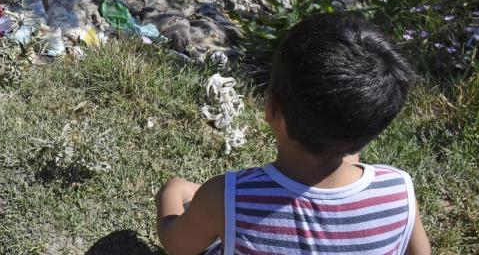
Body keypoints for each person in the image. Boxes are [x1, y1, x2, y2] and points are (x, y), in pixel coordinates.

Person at [155, 13, 432, 255]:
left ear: (271, 107)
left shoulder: (227, 196)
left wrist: (171, 193)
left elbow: (177, 245)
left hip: (214, 208)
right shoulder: (397, 192)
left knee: (187, 194)